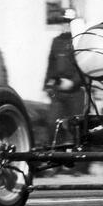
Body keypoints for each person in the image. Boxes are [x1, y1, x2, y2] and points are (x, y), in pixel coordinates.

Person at [42, 9, 86, 142]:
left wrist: (73, 82)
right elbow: (51, 63)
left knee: (75, 128)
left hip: (75, 92)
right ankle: (57, 153)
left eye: (69, 22)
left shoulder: (80, 41)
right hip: (58, 91)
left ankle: (76, 154)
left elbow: (84, 66)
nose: (66, 25)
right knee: (52, 124)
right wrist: (47, 84)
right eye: (64, 22)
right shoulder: (56, 41)